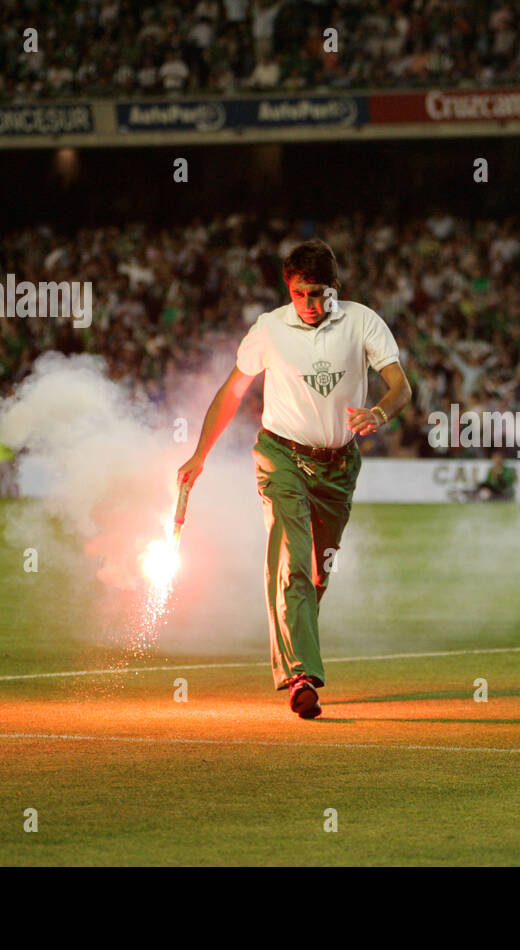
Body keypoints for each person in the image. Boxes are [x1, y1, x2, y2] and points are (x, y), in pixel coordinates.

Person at [177, 239, 411, 719]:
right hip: (280, 457)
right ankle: (301, 677)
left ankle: (298, 642)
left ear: (335, 289)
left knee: (318, 571)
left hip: (338, 465)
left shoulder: (362, 321)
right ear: (289, 289)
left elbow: (400, 385)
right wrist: (200, 454)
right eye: (302, 293)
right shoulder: (268, 330)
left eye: (320, 293)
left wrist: (379, 413)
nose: (311, 304)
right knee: (293, 562)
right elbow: (231, 393)